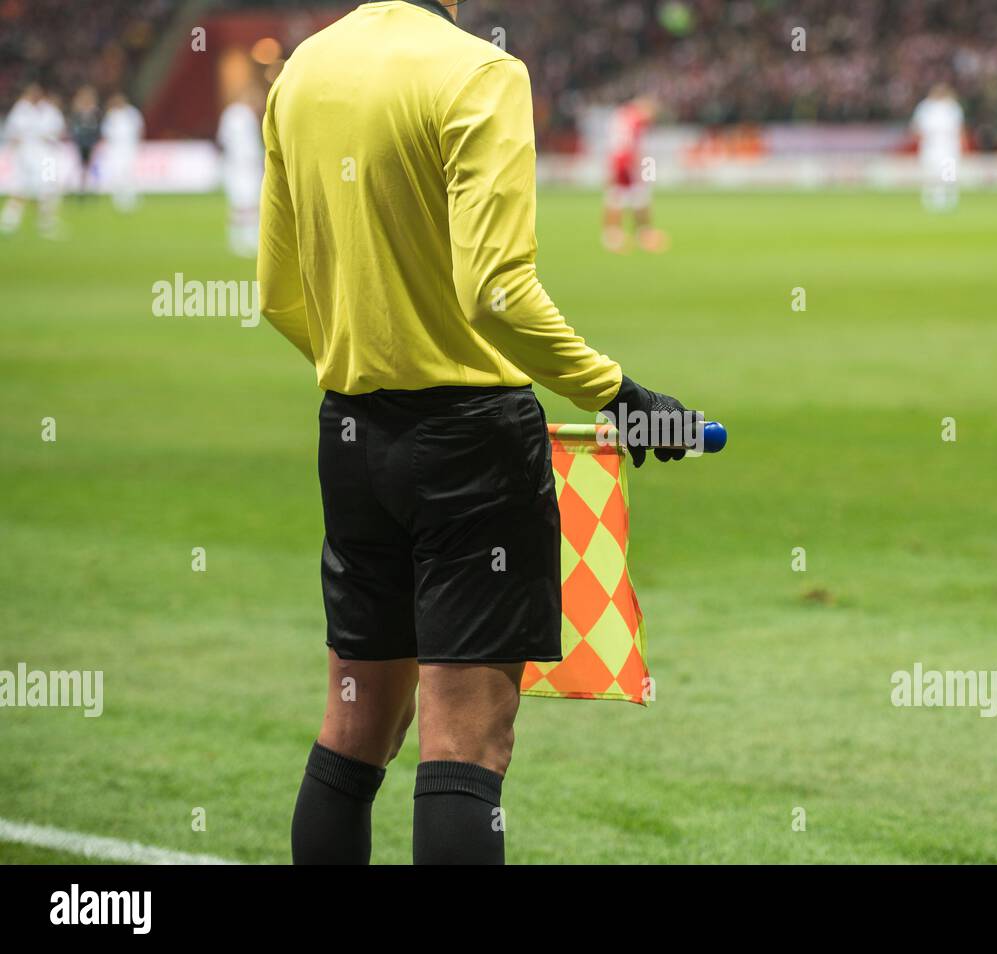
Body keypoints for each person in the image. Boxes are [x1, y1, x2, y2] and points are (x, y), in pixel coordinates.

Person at [258, 0, 700, 865]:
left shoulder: (300, 71)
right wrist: (618, 392)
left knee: (352, 730)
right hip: (469, 446)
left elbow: (278, 296)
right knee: (465, 743)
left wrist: (369, 360)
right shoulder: (480, 71)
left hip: (351, 437)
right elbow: (495, 293)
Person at [602, 95, 668, 252]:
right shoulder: (635, 120)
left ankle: (615, 235)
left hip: (619, 159)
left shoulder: (621, 115)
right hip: (627, 160)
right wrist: (641, 168)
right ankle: (641, 234)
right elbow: (633, 145)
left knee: (618, 196)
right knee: (636, 196)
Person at [1, 82, 66, 238]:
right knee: (21, 189)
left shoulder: (50, 111)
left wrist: (49, 137)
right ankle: (8, 223)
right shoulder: (20, 110)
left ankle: (47, 224)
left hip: (46, 156)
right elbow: (12, 133)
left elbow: (60, 130)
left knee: (49, 189)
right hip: (26, 157)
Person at [217, 88, 264, 256]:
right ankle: (245, 239)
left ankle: (240, 238)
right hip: (244, 166)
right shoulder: (245, 115)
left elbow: (223, 140)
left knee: (241, 204)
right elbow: (250, 144)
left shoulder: (230, 114)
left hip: (235, 165)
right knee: (248, 204)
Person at [911, 83, 964, 212]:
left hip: (948, 144)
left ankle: (949, 198)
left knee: (948, 174)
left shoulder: (952, 107)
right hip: (931, 144)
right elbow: (917, 127)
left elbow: (959, 128)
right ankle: (930, 197)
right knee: (931, 172)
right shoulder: (925, 107)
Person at [101, 92, 144, 212]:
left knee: (129, 172)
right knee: (117, 172)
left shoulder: (132, 113)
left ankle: (131, 198)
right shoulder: (112, 114)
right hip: (115, 149)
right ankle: (119, 198)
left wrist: (138, 143)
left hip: (129, 147)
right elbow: (106, 132)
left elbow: (140, 128)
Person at [68, 85, 101, 199]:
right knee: (80, 165)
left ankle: (88, 188)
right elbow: (74, 127)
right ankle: (79, 188)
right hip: (81, 142)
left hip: (90, 142)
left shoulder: (94, 112)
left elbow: (97, 128)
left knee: (89, 165)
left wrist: (96, 139)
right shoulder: (78, 112)